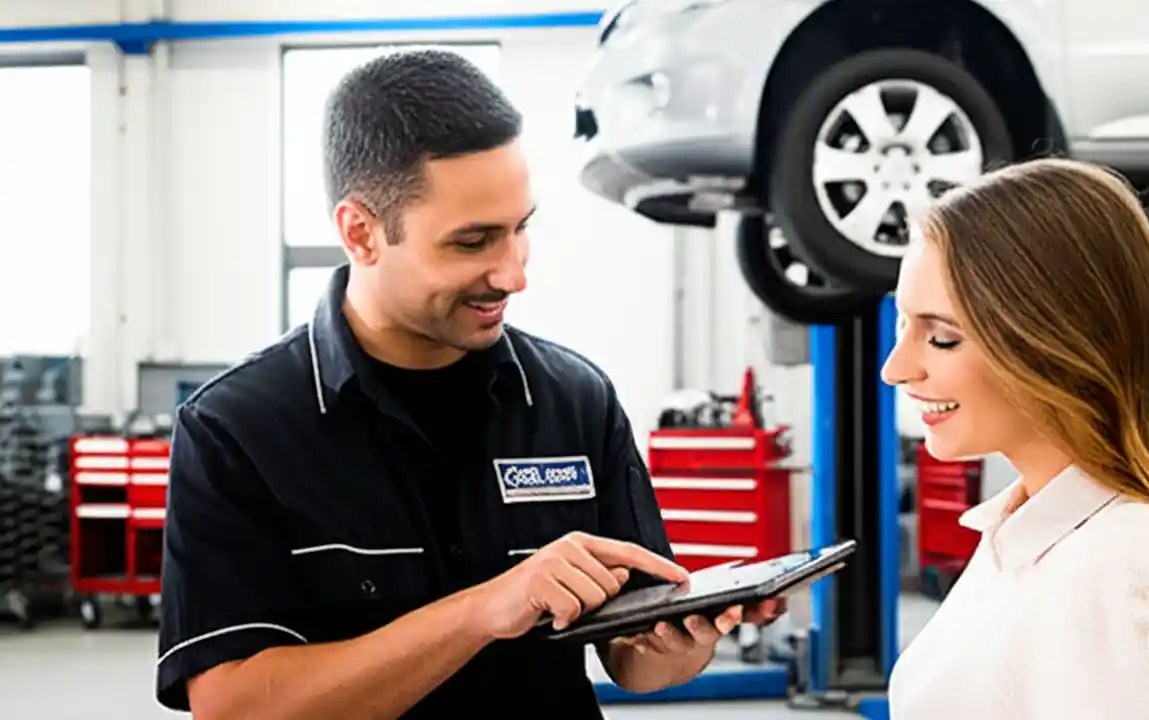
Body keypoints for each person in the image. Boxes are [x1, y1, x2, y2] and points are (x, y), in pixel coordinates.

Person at [154, 49, 783, 719]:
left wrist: (685, 638)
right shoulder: (236, 429)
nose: (514, 274)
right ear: (360, 233)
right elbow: (234, 708)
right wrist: (486, 609)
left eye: (521, 230)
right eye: (473, 242)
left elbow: (631, 657)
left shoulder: (575, 399)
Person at [881, 158, 1149, 719]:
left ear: (1054, 343)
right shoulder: (1031, 534)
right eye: (903, 324)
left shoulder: (1122, 566)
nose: (896, 368)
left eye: (941, 337)